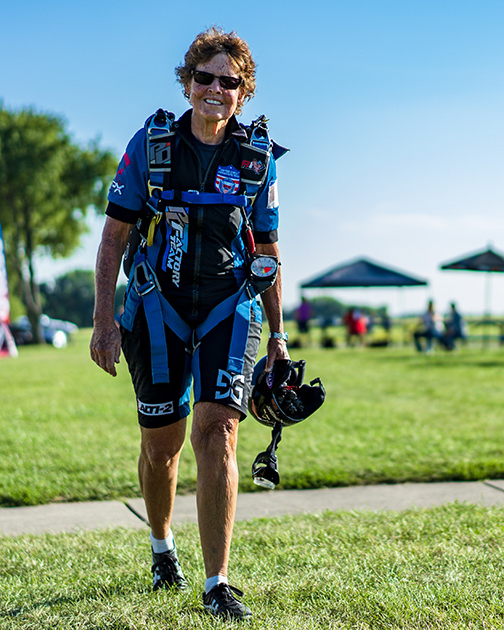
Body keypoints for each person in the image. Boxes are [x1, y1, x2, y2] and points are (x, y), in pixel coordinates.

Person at [89, 27, 286, 620]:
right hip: (156, 307)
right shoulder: (150, 148)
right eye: (206, 78)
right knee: (163, 446)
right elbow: (114, 238)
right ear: (188, 82)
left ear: (242, 93)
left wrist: (277, 338)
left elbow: (270, 250)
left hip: (231, 305)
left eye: (230, 82)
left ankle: (217, 582)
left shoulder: (256, 161)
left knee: (219, 432)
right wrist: (104, 320)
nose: (216, 90)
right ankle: (161, 547)